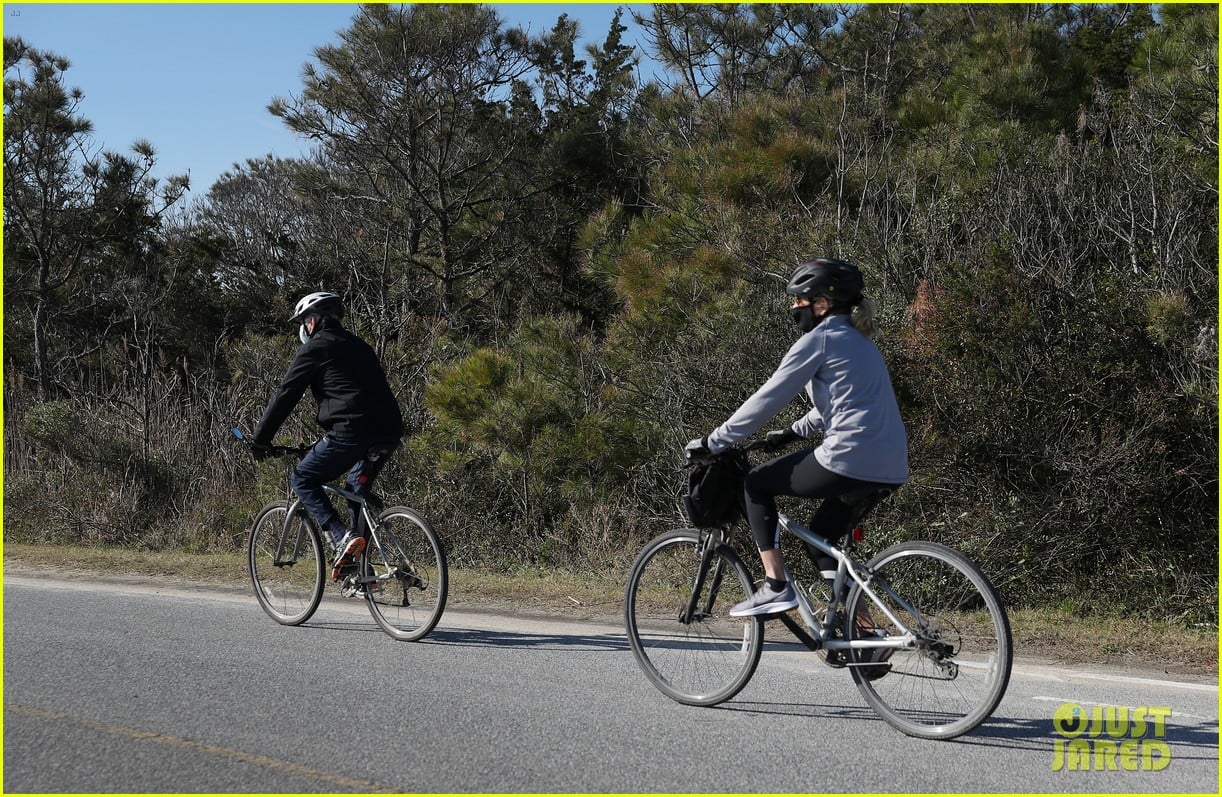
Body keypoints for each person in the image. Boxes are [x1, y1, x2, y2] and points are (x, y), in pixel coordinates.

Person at [685, 258, 908, 617]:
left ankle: (775, 586)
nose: (794, 308)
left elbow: (767, 399)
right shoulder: (863, 344)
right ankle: (869, 635)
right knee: (822, 542)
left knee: (756, 483)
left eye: (799, 301)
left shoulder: (818, 340)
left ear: (822, 303)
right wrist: (790, 433)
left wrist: (715, 442)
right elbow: (836, 406)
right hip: (892, 464)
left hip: (848, 456)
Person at [252, 291, 404, 580]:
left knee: (302, 478)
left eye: (303, 321)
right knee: (355, 492)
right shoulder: (361, 346)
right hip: (387, 432)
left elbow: (286, 394)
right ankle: (362, 573)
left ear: (312, 321)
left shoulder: (315, 348)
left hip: (350, 433)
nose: (303, 328)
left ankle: (340, 535)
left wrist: (261, 438)